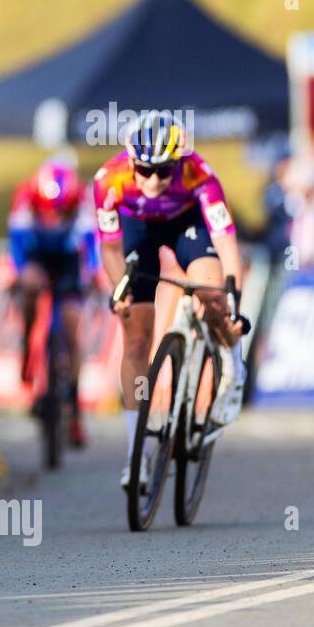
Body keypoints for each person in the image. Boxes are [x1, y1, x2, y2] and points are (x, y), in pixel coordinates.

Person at [96, 111, 247, 491]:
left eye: (164, 171)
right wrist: (120, 290)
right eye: (145, 170)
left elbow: (226, 239)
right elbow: (111, 248)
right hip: (138, 227)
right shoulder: (108, 180)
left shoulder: (200, 175)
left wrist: (233, 295)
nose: (154, 180)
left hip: (187, 223)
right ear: (131, 162)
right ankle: (137, 453)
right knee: (135, 333)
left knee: (211, 293)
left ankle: (233, 361)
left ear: (177, 163)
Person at [8, 157, 97, 446]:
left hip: (68, 260)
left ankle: (74, 407)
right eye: (46, 212)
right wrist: (19, 273)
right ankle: (27, 337)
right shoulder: (25, 195)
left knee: (72, 327)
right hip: (38, 256)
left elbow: (91, 243)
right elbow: (17, 244)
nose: (52, 219)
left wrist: (93, 273)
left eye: (59, 213)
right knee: (30, 285)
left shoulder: (81, 198)